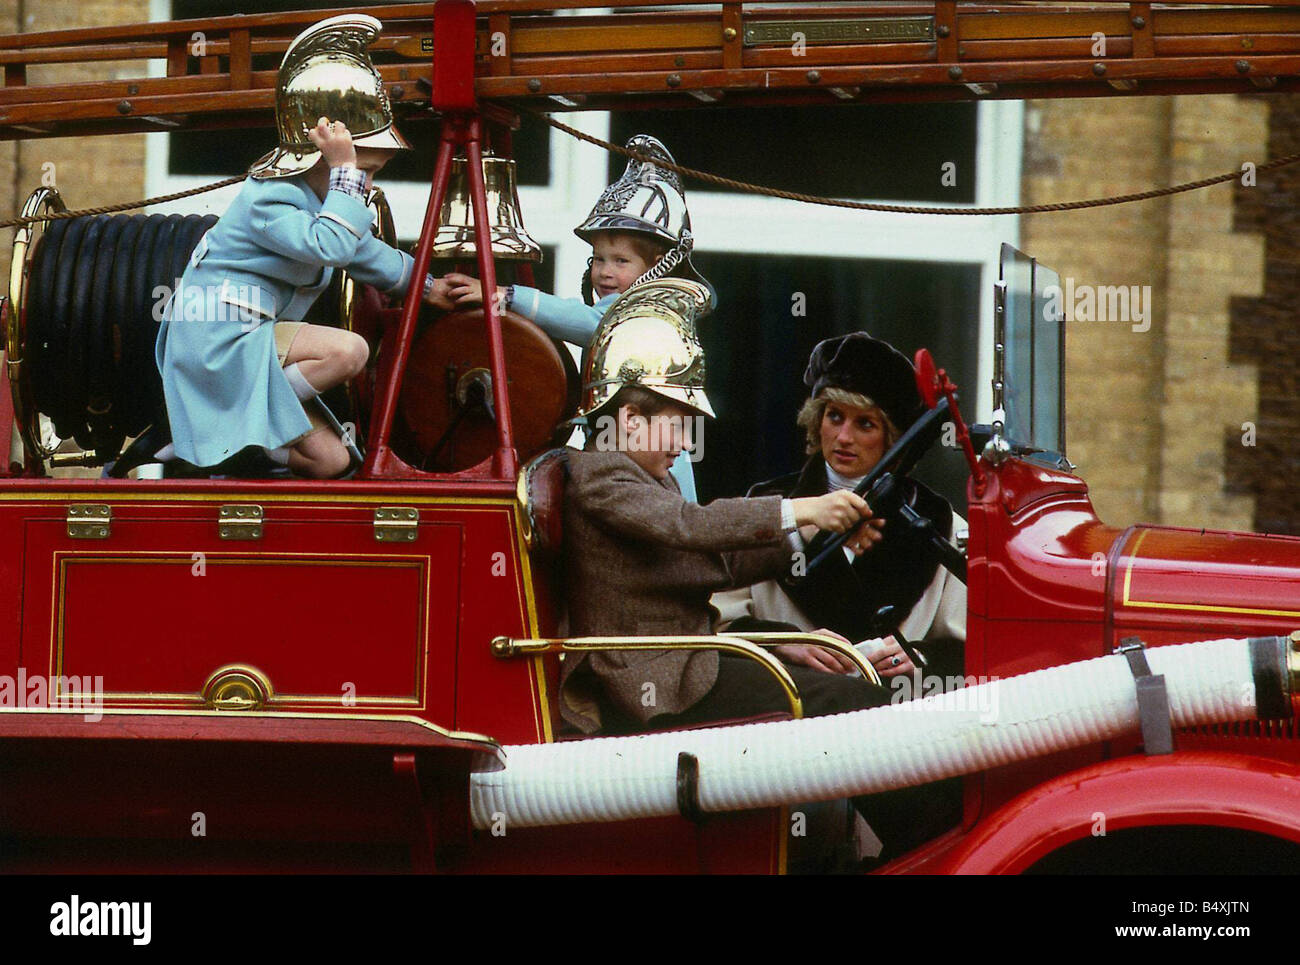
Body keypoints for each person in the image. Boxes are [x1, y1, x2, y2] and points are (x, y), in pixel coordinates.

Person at [558, 279, 890, 737]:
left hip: (685, 664)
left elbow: (711, 563)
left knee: (852, 694)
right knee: (854, 703)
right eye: (676, 426)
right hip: (652, 683)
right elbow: (689, 525)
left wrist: (811, 533)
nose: (683, 444)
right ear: (631, 421)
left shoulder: (641, 473)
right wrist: (805, 510)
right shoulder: (601, 475)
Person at [134, 15, 449, 480]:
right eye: (366, 170)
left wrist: (429, 288)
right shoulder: (271, 196)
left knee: (331, 459)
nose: (367, 184)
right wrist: (345, 171)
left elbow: (365, 254)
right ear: (319, 154)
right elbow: (333, 245)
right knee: (349, 352)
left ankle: (219, 441)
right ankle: (218, 423)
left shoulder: (321, 201)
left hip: (251, 343)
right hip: (217, 339)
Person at [439, 135, 710, 499]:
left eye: (621, 261)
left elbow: (590, 323)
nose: (605, 272)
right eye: (599, 259)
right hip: (616, 441)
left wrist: (507, 296)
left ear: (658, 268)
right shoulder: (616, 309)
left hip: (650, 452)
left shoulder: (643, 316)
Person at [713, 332, 966, 685]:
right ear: (817, 420)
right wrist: (785, 644)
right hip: (788, 707)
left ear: (892, 437)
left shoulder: (937, 521)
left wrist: (921, 657)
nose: (844, 437)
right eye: (834, 416)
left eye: (864, 423)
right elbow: (717, 624)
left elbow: (968, 644)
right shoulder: (769, 507)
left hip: (901, 715)